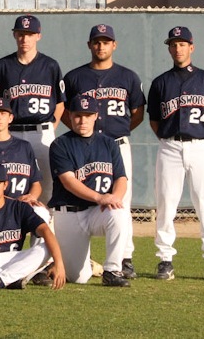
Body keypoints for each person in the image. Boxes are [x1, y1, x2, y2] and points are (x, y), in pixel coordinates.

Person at [62, 23, 145, 279]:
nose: (101, 46)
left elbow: (137, 113)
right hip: (83, 146)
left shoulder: (128, 77)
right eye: (96, 42)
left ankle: (124, 258)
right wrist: (83, 133)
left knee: (121, 201)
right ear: (89, 45)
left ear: (114, 45)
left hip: (117, 143)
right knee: (81, 194)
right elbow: (65, 112)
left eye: (106, 41)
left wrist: (116, 133)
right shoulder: (74, 77)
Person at [148, 26, 204, 281]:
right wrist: (169, 140)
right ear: (169, 49)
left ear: (191, 47)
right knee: (166, 202)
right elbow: (154, 120)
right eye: (173, 44)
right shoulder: (160, 83)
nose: (177, 48)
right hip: (170, 146)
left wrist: (202, 139)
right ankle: (165, 259)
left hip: (201, 146)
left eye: (182, 44)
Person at [48, 94, 131, 286]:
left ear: (95, 116)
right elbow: (68, 181)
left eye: (87, 115)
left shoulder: (109, 143)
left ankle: (112, 270)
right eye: (78, 115)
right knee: (79, 278)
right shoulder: (60, 144)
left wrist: (114, 198)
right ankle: (85, 265)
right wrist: (100, 197)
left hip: (97, 212)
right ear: (70, 116)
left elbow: (121, 178)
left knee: (119, 212)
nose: (82, 120)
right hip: (70, 213)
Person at [0, 15, 66, 204]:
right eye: (21, 34)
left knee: (47, 187)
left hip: (42, 132)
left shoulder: (50, 65)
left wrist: (50, 128)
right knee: (9, 184)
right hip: (12, 133)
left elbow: (60, 103)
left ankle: (44, 223)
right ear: (14, 35)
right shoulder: (2, 66)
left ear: (38, 36)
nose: (25, 38)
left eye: (30, 34)